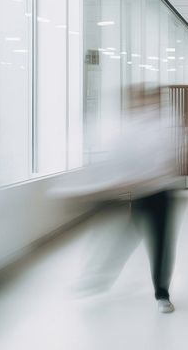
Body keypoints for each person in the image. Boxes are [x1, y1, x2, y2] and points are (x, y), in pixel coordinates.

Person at [67, 85, 181, 313]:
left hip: (160, 194)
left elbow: (165, 166)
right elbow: (119, 162)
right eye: (134, 100)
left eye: (141, 100)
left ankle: (162, 294)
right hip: (140, 195)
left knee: (159, 244)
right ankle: (99, 277)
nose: (139, 105)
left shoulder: (163, 128)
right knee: (124, 237)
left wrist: (129, 181)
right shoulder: (132, 129)